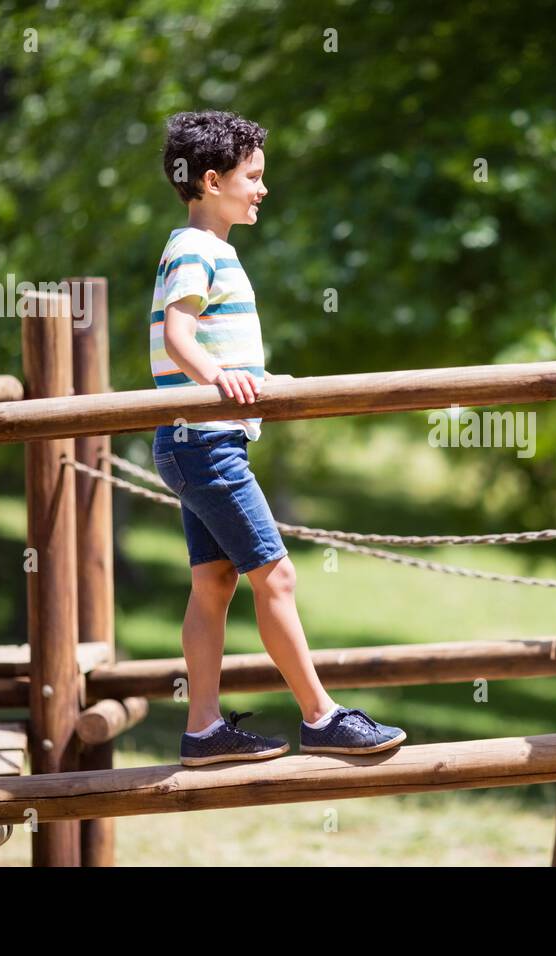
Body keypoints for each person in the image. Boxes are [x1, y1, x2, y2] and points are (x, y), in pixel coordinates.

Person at [149, 109, 406, 766]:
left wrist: (257, 379)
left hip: (194, 441)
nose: (263, 189)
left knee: (215, 583)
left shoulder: (211, 250)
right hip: (204, 444)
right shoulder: (194, 249)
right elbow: (180, 337)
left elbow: (207, 341)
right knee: (279, 575)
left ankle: (203, 730)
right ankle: (322, 716)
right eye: (253, 176)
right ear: (211, 180)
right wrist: (218, 381)